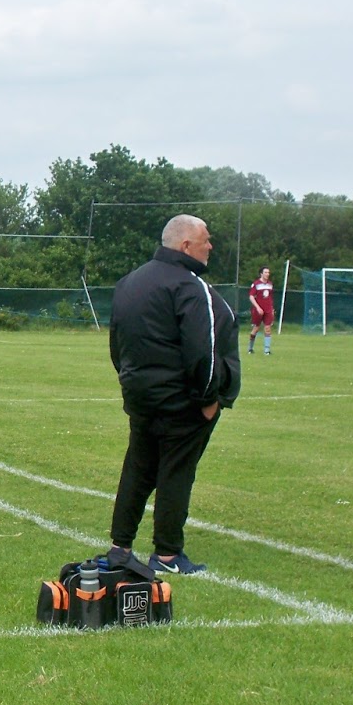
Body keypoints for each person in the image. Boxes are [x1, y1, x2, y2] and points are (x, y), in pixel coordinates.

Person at [108, 215, 240, 576]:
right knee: (176, 473)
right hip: (183, 402)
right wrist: (211, 400)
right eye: (206, 239)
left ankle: (120, 545)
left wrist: (131, 383)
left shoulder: (129, 282)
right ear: (186, 246)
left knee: (137, 468)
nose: (210, 246)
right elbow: (203, 351)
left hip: (141, 397)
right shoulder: (190, 286)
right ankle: (167, 554)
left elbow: (117, 347)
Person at [247, 266, 275, 355]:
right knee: (256, 328)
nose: (267, 274)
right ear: (261, 274)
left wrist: (272, 309)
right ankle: (250, 348)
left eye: (268, 272)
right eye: (266, 272)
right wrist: (258, 307)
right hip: (258, 310)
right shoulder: (256, 284)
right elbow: (251, 297)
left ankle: (267, 350)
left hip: (268, 310)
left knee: (267, 328)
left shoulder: (270, 284)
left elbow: (270, 298)